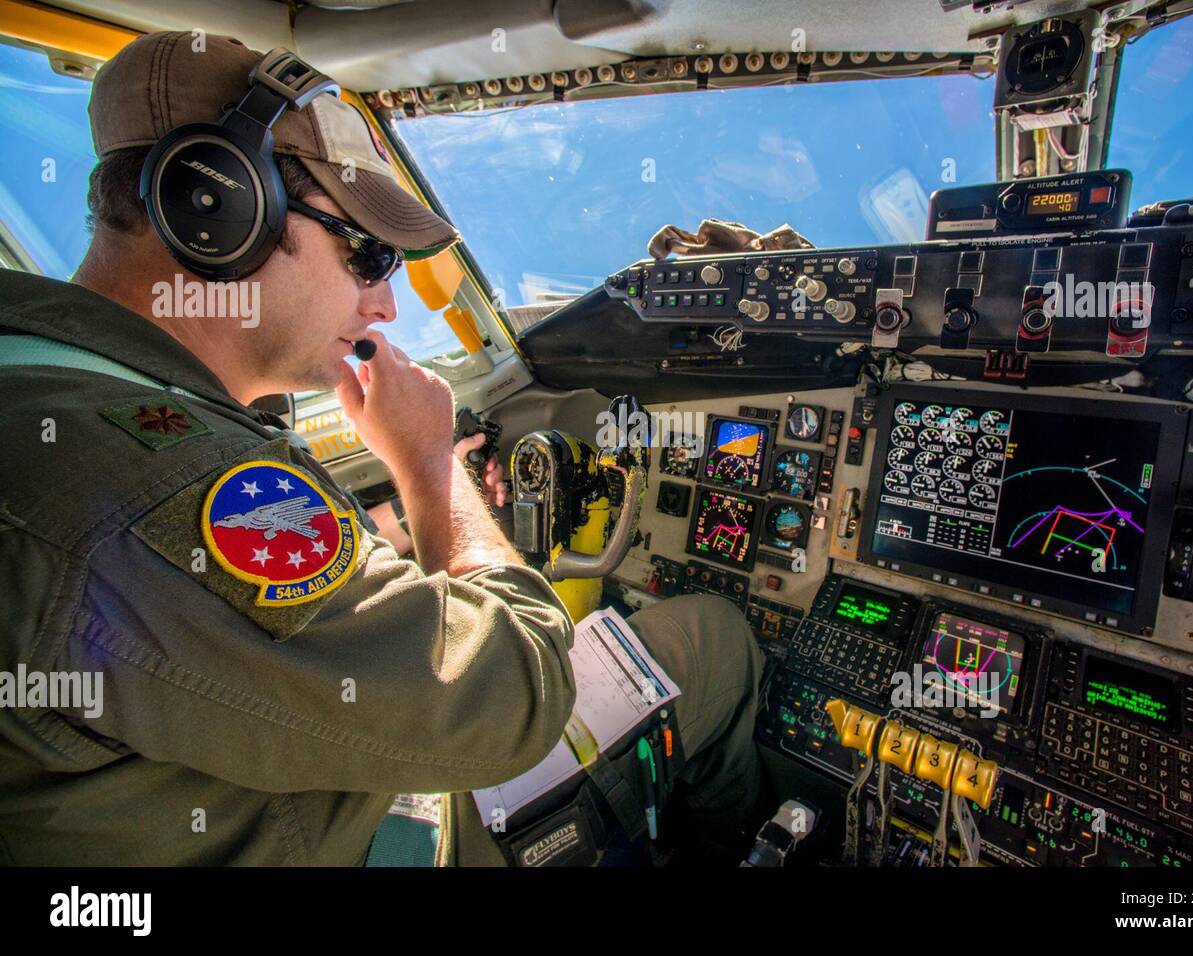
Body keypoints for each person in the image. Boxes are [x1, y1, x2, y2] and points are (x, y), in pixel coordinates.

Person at [0, 31, 766, 865]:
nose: (388, 306)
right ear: (216, 207)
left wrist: (396, 527)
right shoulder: (160, 486)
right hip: (388, 835)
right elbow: (518, 694)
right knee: (714, 639)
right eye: (367, 254)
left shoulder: (56, 393)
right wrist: (433, 466)